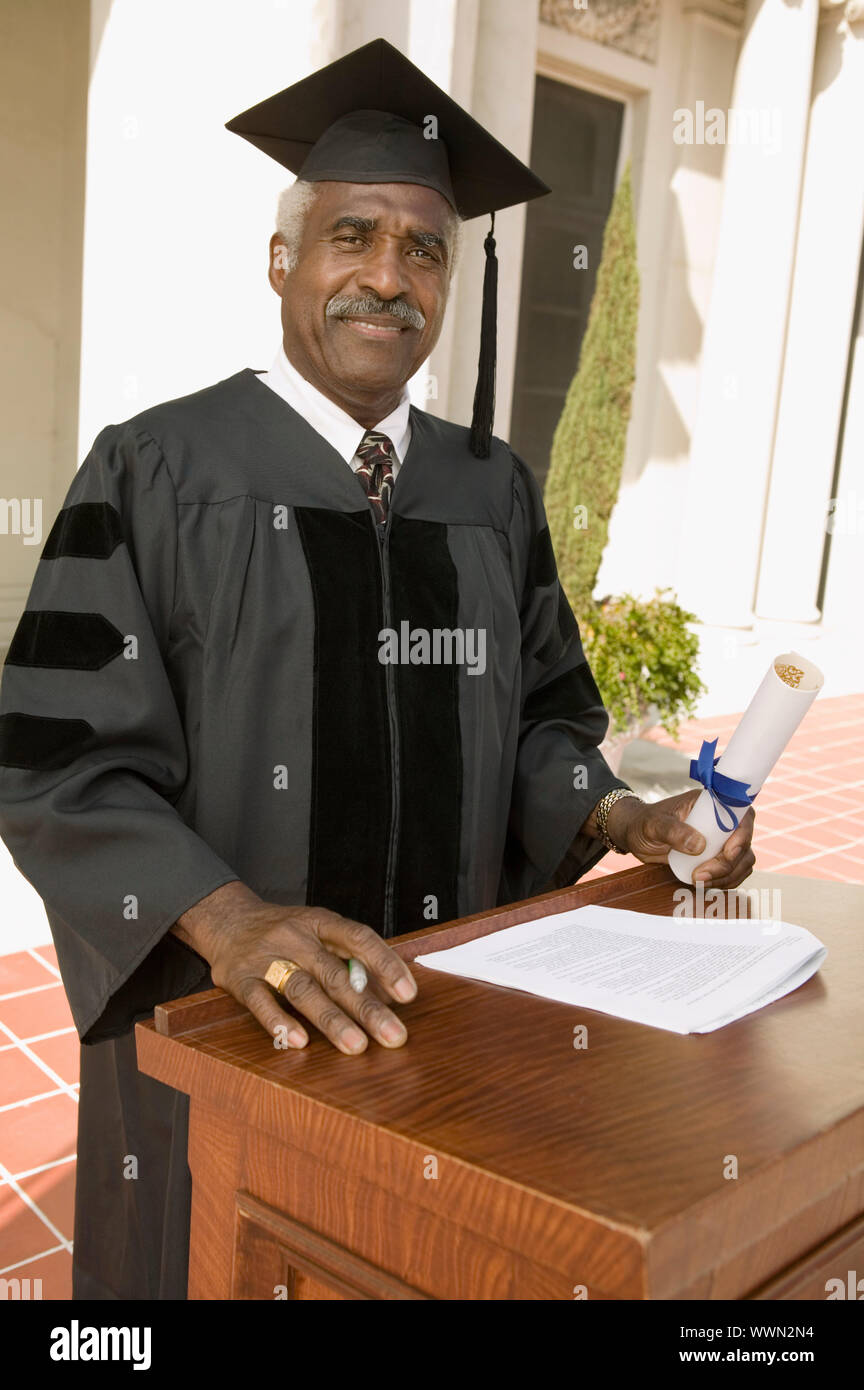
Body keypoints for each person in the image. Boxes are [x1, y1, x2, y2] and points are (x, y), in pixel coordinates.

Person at [0, 38, 754, 1300]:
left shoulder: (489, 490)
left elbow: (544, 716)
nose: (387, 278)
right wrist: (229, 920)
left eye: (424, 250)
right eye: (352, 236)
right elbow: (58, 757)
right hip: (226, 1028)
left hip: (446, 1030)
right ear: (284, 260)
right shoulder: (157, 468)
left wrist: (621, 809)